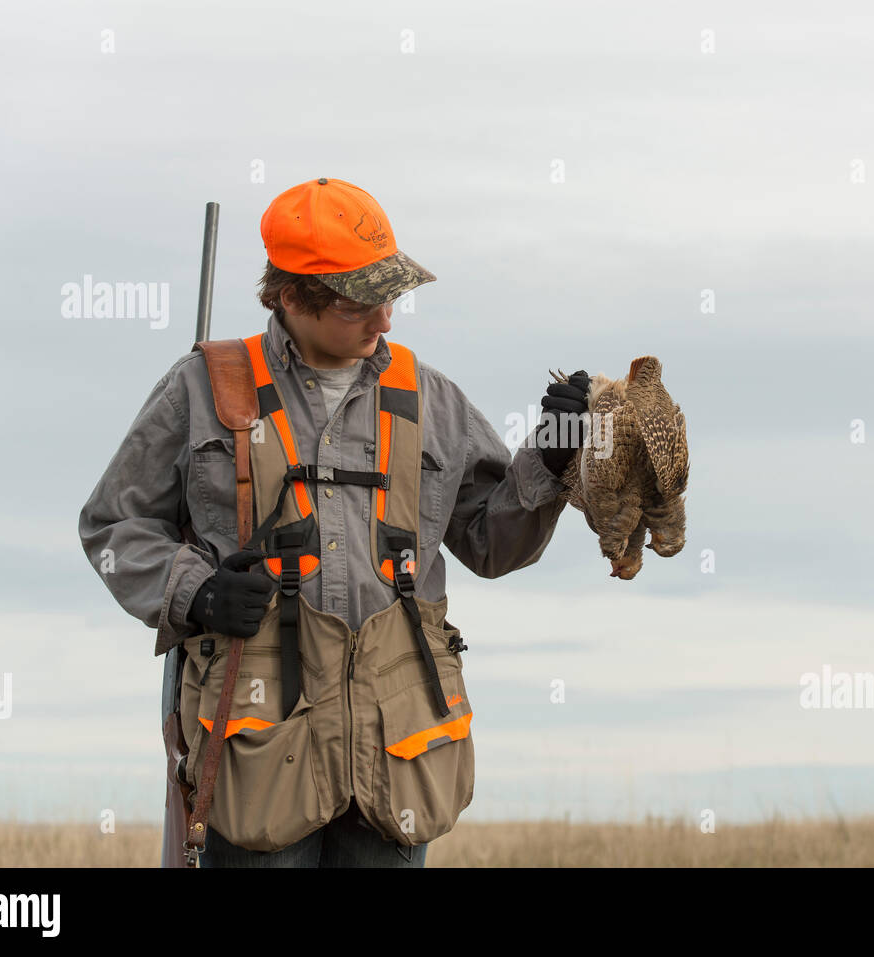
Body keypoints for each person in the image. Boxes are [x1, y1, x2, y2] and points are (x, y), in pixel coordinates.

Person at [78, 176, 589, 867]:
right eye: (362, 305)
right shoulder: (202, 387)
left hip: (396, 757)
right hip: (258, 757)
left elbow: (489, 543)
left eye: (389, 300)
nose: (384, 322)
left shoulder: (428, 396)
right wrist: (194, 591)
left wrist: (550, 458)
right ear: (292, 297)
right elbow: (113, 524)